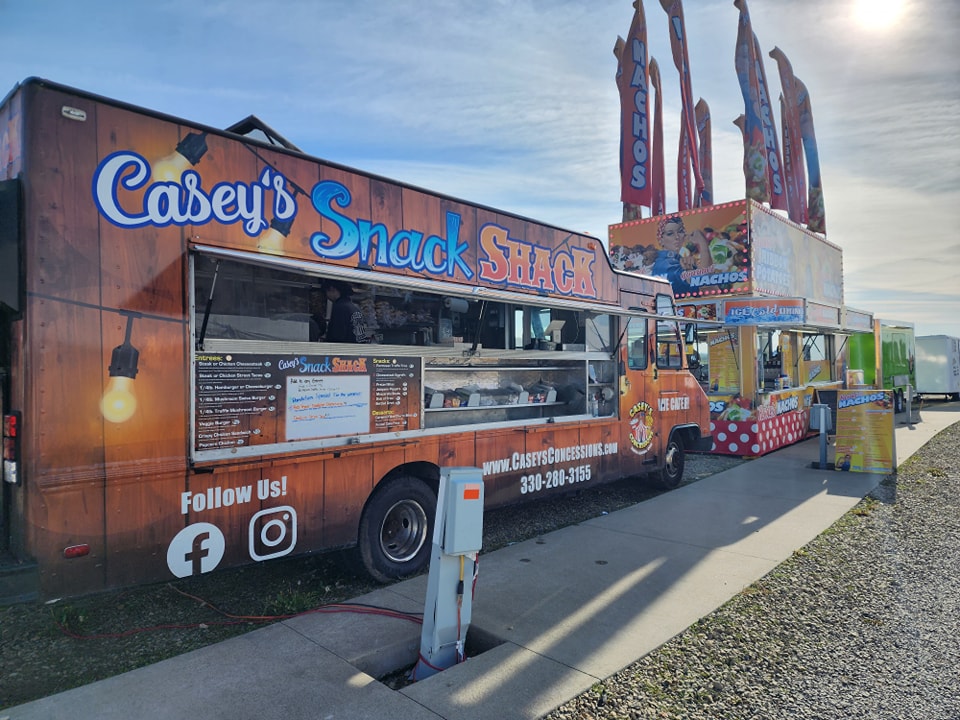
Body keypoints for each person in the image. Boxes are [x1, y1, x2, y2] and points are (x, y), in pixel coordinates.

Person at [650, 216, 712, 295]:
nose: (677, 237)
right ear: (661, 240)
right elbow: (705, 281)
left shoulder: (678, 259)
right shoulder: (666, 264)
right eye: (670, 234)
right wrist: (703, 244)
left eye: (680, 231)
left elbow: (712, 289)